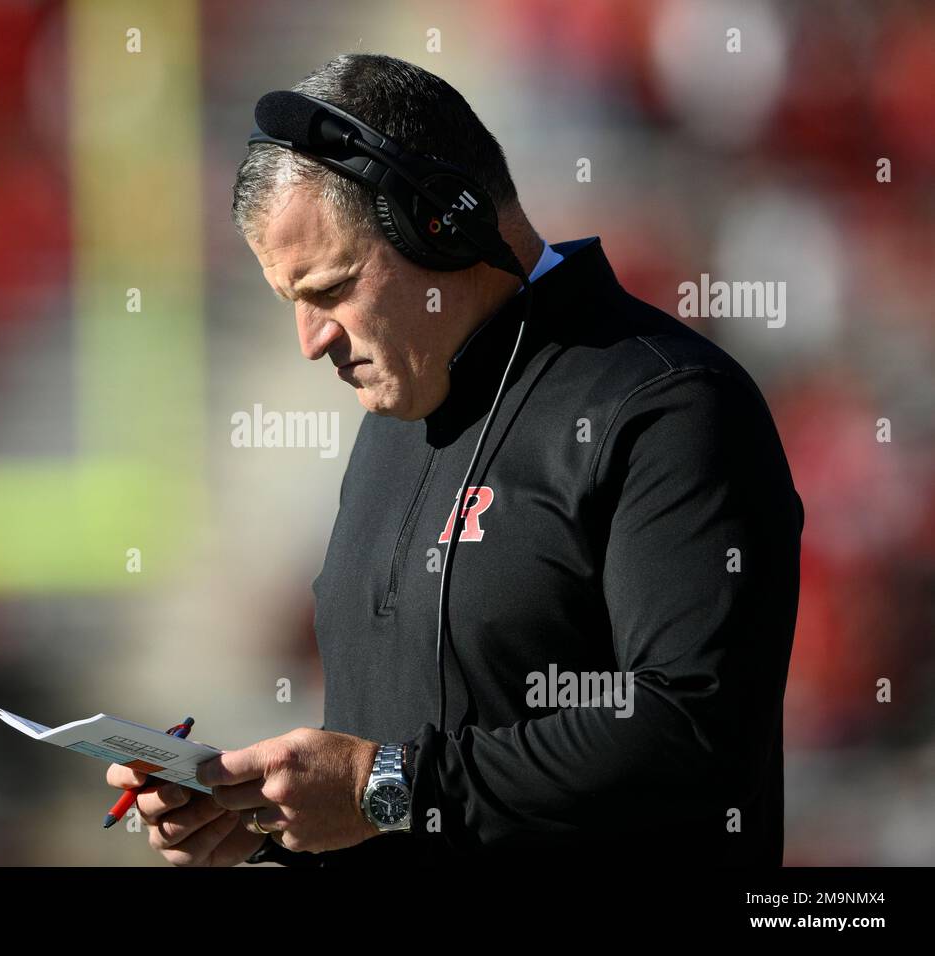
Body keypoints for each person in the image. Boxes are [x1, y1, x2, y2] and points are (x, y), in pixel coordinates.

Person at [105, 53, 803, 867]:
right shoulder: (394, 420)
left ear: (440, 222)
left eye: (330, 290)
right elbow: (398, 787)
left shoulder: (668, 403)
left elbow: (695, 731)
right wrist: (266, 824)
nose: (311, 342)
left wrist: (384, 787)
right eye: (292, 303)